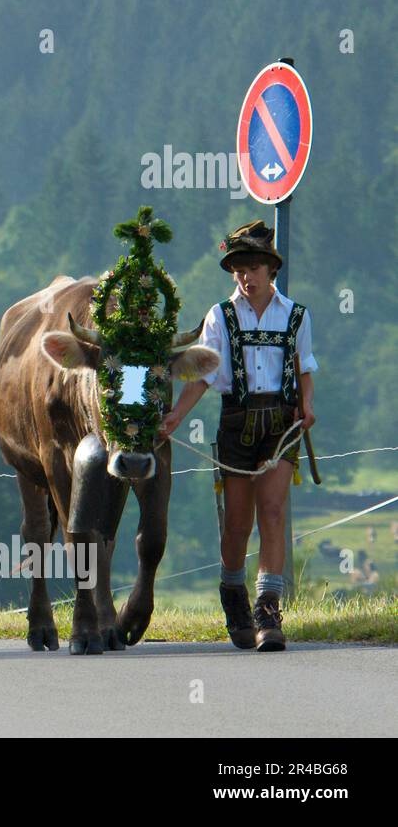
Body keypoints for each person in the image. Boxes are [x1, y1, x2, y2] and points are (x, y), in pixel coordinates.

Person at [161, 219, 316, 652]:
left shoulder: (297, 316)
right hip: (236, 423)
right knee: (236, 524)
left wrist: (307, 406)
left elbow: (305, 368)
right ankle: (233, 595)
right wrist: (175, 415)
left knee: (272, 512)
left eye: (252, 268)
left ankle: (268, 612)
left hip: (281, 426)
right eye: (238, 269)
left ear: (271, 270)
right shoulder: (220, 316)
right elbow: (203, 375)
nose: (245, 277)